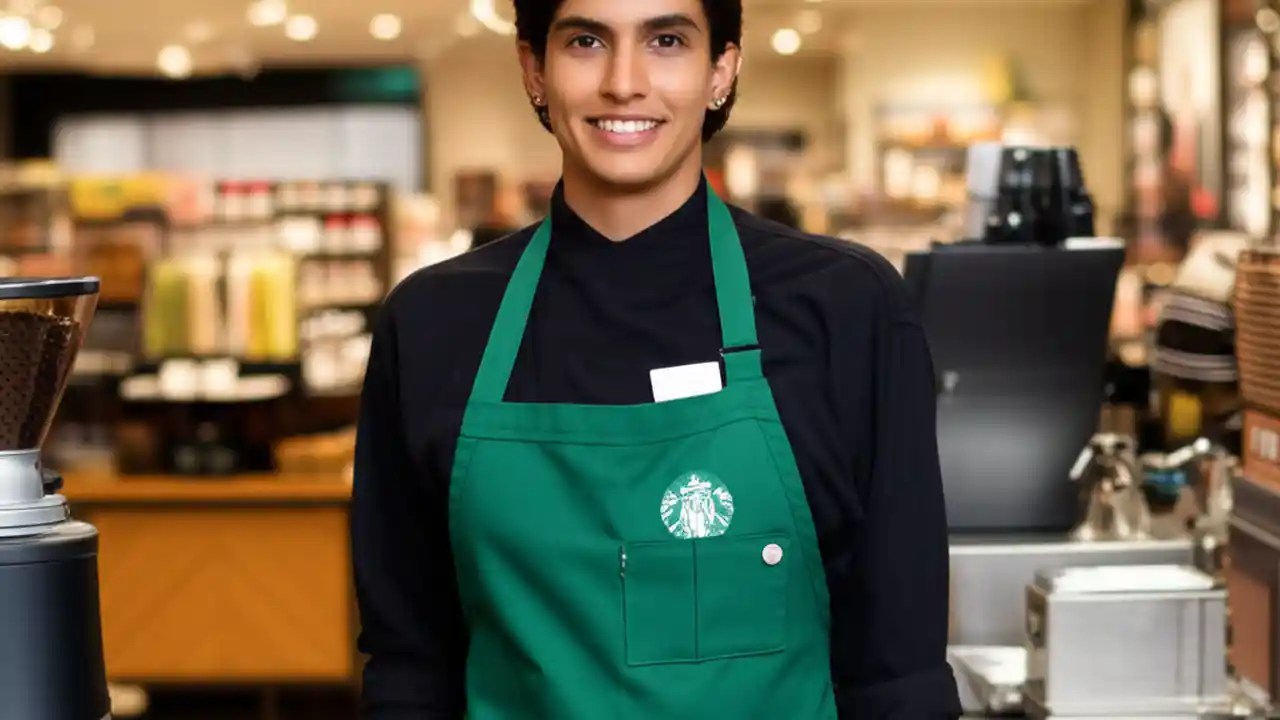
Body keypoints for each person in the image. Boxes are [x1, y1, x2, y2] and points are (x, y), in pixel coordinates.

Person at [350, 0, 961, 717]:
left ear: (721, 70)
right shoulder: (432, 325)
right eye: (586, 41)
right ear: (534, 69)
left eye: (666, 40)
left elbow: (899, 674)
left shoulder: (844, 307)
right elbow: (410, 669)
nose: (624, 82)